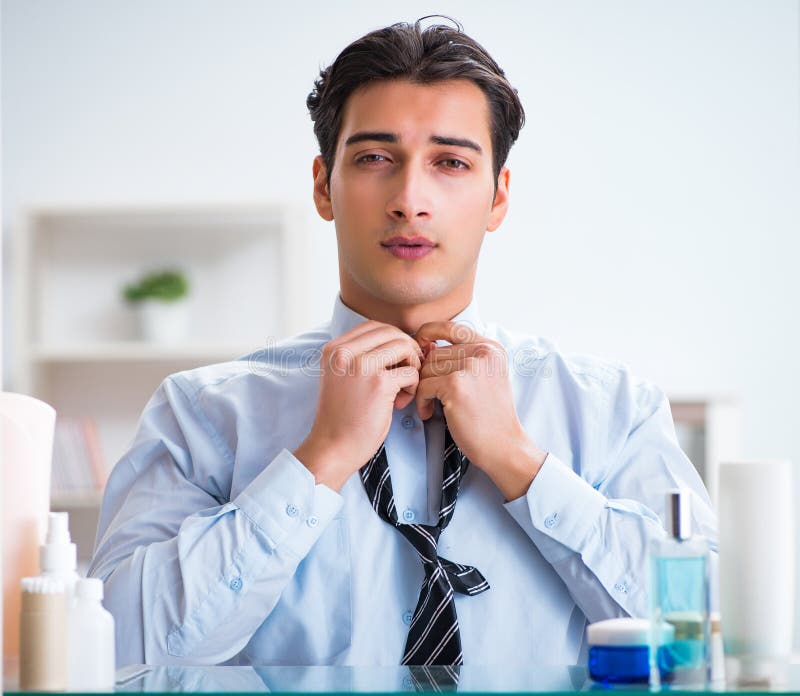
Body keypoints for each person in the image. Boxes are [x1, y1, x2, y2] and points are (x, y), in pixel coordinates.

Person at [89, 18, 717, 668]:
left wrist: (520, 463)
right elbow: (113, 651)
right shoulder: (202, 414)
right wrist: (317, 462)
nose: (410, 199)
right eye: (374, 159)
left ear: (498, 197)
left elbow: (700, 641)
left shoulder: (612, 409)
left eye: (450, 162)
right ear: (321, 185)